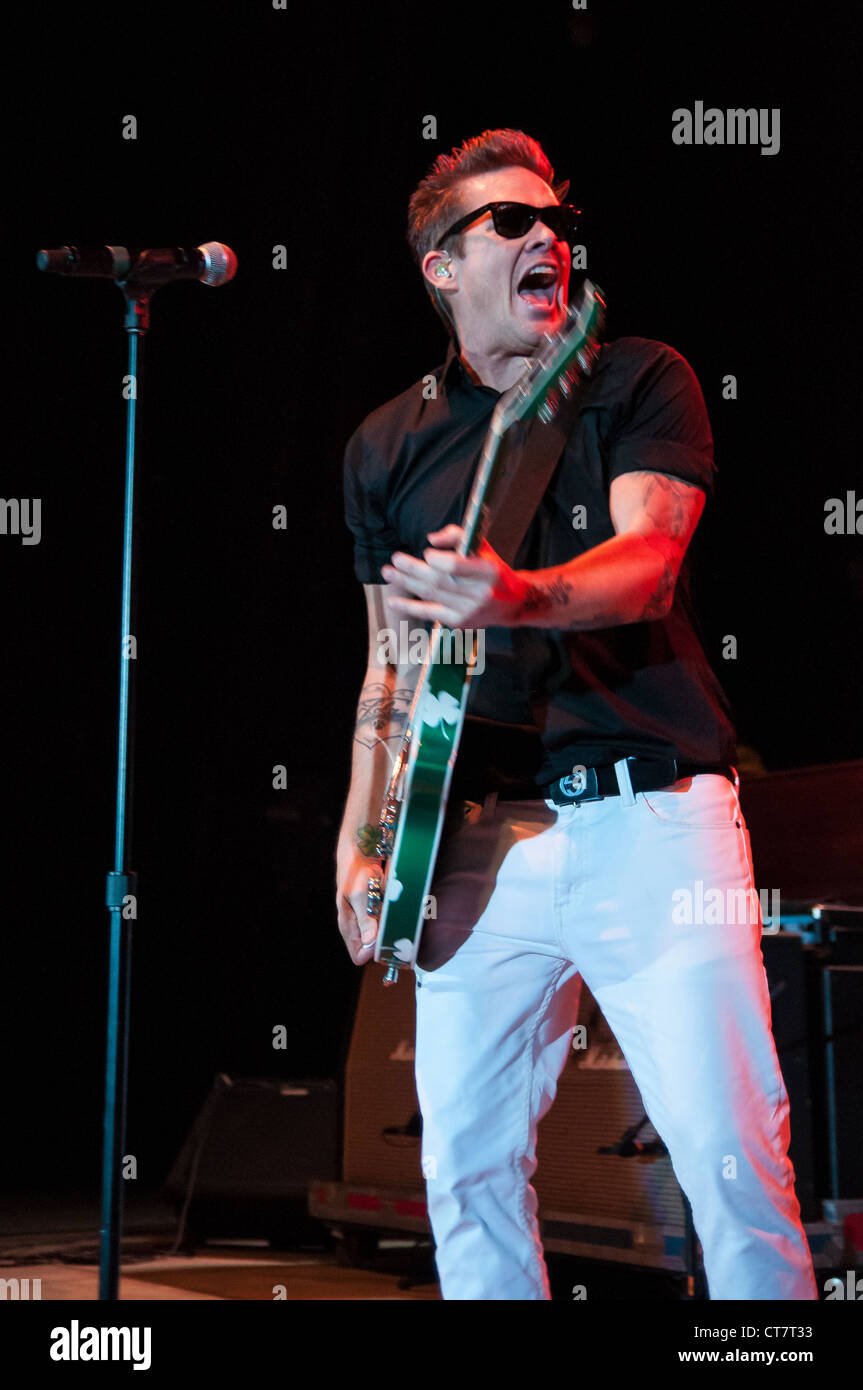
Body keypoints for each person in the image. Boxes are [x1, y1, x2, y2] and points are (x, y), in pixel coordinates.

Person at [335, 128, 817, 1301]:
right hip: (475, 843)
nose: (547, 235)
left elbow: (648, 562)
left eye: (554, 219)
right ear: (440, 266)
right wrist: (355, 836)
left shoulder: (636, 377)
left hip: (648, 817)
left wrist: (518, 597)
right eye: (509, 222)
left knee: (728, 1158)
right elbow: (388, 664)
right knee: (463, 1171)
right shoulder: (384, 443)